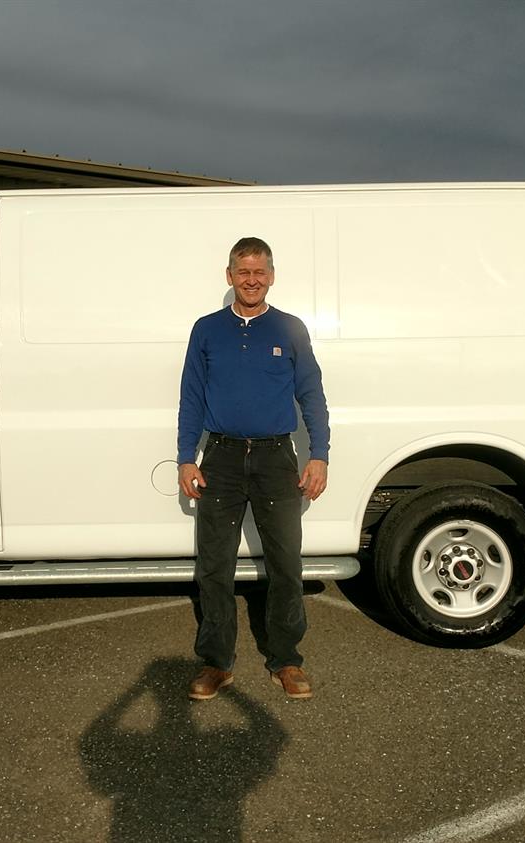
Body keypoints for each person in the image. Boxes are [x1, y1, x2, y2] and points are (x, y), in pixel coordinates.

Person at [177, 236, 330, 701]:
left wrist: (319, 454)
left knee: (285, 564)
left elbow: (312, 396)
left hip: (275, 458)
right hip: (220, 458)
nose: (251, 280)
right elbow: (191, 397)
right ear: (230, 276)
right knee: (215, 567)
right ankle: (217, 663)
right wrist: (187, 457)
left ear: (271, 276)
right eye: (243, 272)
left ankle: (286, 660)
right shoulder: (206, 330)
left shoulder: (290, 329)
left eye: (259, 271)